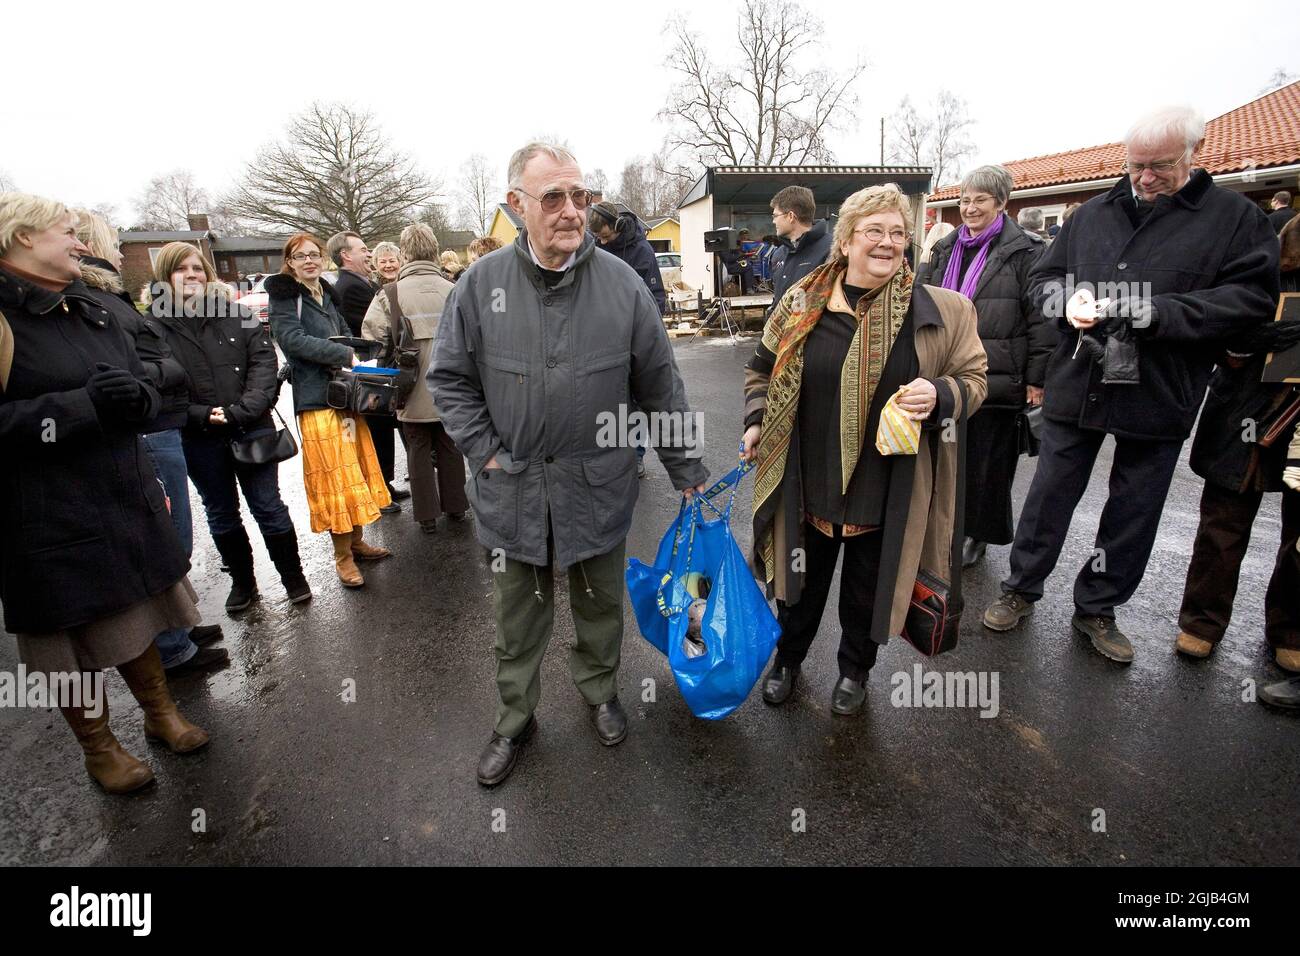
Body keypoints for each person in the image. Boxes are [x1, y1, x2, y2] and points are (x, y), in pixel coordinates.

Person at [430, 141, 707, 787]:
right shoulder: (480, 285)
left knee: (599, 605)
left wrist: (687, 471)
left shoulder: (622, 286)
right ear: (516, 206)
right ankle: (514, 718)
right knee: (518, 617)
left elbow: (661, 388)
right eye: (552, 197)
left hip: (597, 487)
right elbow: (449, 378)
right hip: (514, 488)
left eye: (580, 196)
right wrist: (486, 452)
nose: (570, 210)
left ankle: (600, 689)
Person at [983, 106, 1280, 663]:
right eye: (1136, 164)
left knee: (1134, 508)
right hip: (1081, 379)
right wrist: (1063, 303)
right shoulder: (1093, 213)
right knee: (1048, 496)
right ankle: (1020, 588)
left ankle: (1098, 605)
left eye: (1160, 166)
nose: (1144, 177)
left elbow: (1252, 301)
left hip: (1161, 388)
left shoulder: (1234, 219)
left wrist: (1158, 312)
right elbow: (1044, 278)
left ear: (1194, 153)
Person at [742, 183, 987, 715]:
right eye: (874, 231)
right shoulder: (802, 302)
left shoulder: (942, 311)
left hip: (888, 486)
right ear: (846, 241)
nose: (888, 242)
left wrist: (942, 393)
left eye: (898, 233)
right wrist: (758, 421)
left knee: (868, 591)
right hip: (810, 479)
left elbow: (976, 379)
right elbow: (761, 371)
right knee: (798, 586)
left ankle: (856, 671)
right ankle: (788, 658)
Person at [0, 192, 209, 794]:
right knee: (68, 636)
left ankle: (161, 714)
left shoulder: (88, 305)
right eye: (69, 231)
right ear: (22, 237)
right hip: (43, 513)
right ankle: (99, 747)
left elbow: (147, 382)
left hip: (120, 492)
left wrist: (137, 397)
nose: (82, 242)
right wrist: (78, 408)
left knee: (137, 611)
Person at [74, 212, 226, 672]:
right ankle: (172, 647)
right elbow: (131, 367)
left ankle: (177, 626)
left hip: (165, 423)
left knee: (174, 532)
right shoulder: (99, 300)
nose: (121, 253)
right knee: (167, 533)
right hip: (154, 426)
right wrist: (167, 373)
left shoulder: (108, 296)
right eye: (114, 244)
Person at [150, 242, 311, 609]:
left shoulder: (237, 314)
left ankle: (293, 576)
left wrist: (243, 409)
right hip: (199, 435)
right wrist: (201, 414)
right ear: (165, 276)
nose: (191, 275)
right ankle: (243, 583)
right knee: (221, 511)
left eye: (197, 268)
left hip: (251, 427)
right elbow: (160, 382)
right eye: (181, 269)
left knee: (268, 505)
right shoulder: (154, 327)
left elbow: (263, 364)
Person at [1172, 216, 1300, 675]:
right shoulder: (1261, 270)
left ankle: (1291, 630)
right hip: (1244, 414)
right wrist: (1245, 343)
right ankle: (1202, 623)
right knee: (1223, 525)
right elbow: (1210, 329)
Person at [916, 167, 1054, 568]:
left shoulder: (1027, 252)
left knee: (987, 463)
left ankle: (977, 532)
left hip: (998, 374)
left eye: (979, 199)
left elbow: (1042, 320)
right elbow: (921, 302)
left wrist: (1037, 379)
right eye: (964, 200)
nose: (969, 208)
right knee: (946, 457)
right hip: (946, 371)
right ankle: (946, 526)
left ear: (1001, 203)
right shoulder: (944, 249)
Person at [266, 233, 393, 588]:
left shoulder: (326, 293)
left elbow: (342, 334)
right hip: (317, 401)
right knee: (335, 478)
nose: (309, 261)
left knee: (354, 471)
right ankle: (343, 557)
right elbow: (291, 341)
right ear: (289, 262)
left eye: (314, 255)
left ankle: (355, 541)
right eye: (300, 256)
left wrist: (361, 353)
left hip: (345, 395)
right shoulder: (286, 297)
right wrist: (342, 355)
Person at [362, 223, 469, 533]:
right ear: (434, 250)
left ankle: (426, 516)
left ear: (404, 253)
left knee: (418, 448)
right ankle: (457, 507)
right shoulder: (453, 289)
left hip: (409, 387)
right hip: (451, 383)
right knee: (449, 445)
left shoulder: (390, 293)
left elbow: (373, 337)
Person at [328, 230, 407, 513]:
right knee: (378, 432)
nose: (368, 254)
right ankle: (379, 489)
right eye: (363, 249)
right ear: (346, 255)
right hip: (372, 370)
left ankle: (385, 483)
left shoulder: (363, 283)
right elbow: (373, 330)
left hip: (376, 369)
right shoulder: (352, 287)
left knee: (383, 431)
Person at [589, 201, 666, 313]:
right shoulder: (596, 245)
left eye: (606, 236)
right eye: (598, 237)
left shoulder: (642, 251)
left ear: (618, 226)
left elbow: (656, 296)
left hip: (632, 319)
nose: (602, 241)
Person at [767, 185, 833, 309]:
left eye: (775, 216)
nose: (773, 221)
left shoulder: (832, 249)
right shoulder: (779, 254)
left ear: (791, 216)